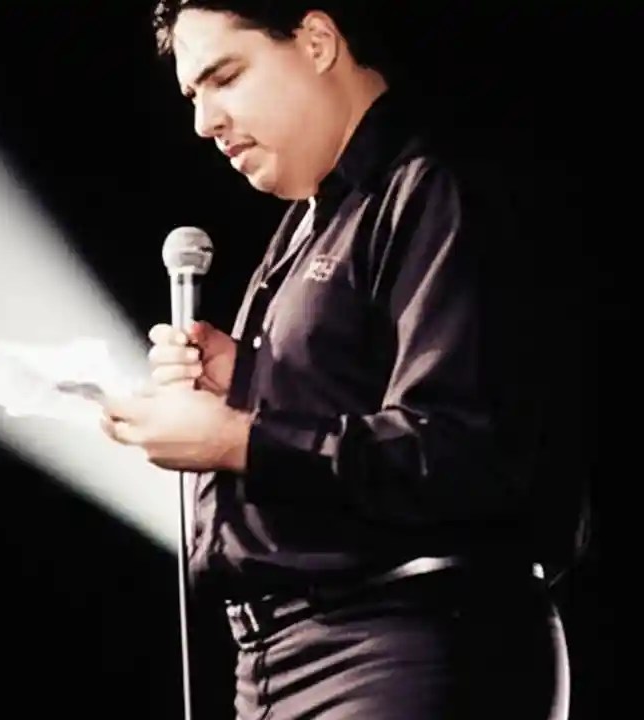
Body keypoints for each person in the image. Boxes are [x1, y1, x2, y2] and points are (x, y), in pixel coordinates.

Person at [99, 1, 581, 717]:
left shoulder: (434, 185)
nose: (203, 122)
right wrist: (245, 387)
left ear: (318, 41)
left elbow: (464, 450)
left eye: (225, 78)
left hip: (405, 641)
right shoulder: (310, 221)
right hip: (283, 662)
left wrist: (236, 438)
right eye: (192, 95)